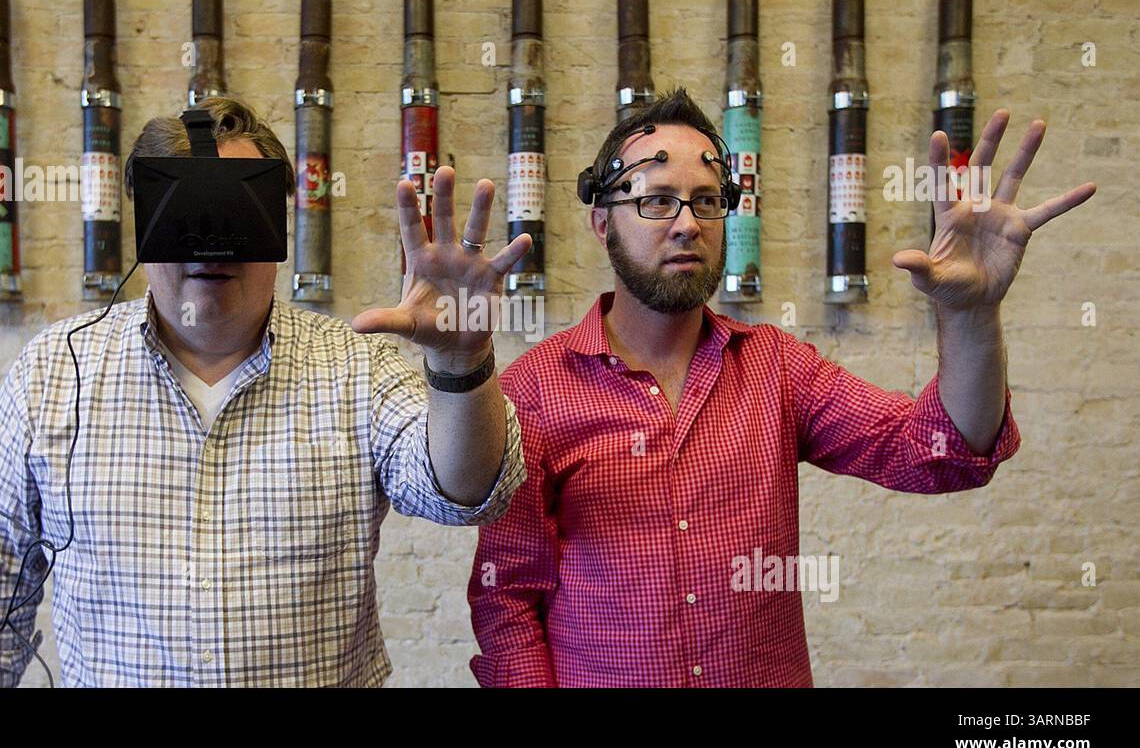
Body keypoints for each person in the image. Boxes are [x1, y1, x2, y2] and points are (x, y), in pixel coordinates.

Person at [467, 87, 1095, 687]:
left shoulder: (777, 370)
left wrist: (970, 315)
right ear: (602, 223)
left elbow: (938, 452)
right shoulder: (533, 393)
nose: (688, 224)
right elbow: (507, 600)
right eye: (657, 201)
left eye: (707, 200)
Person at [0, 95, 531, 686]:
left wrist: (460, 362)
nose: (210, 238)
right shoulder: (53, 372)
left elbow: (464, 491)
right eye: (186, 211)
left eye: (237, 210)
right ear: (144, 221)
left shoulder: (354, 366)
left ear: (278, 221)